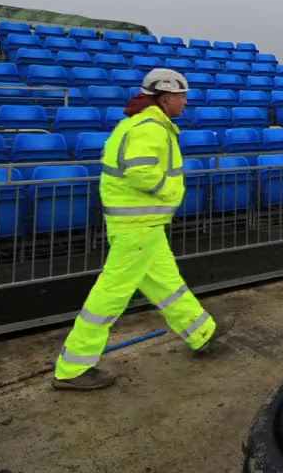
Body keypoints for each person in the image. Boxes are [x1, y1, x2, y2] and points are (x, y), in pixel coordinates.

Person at [53, 68, 224, 391]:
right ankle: (74, 366)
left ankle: (201, 333)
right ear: (166, 98)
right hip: (137, 226)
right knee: (111, 294)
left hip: (142, 224)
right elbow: (140, 171)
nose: (185, 103)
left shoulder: (140, 123)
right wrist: (171, 192)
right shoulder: (151, 127)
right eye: (182, 96)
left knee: (166, 283)